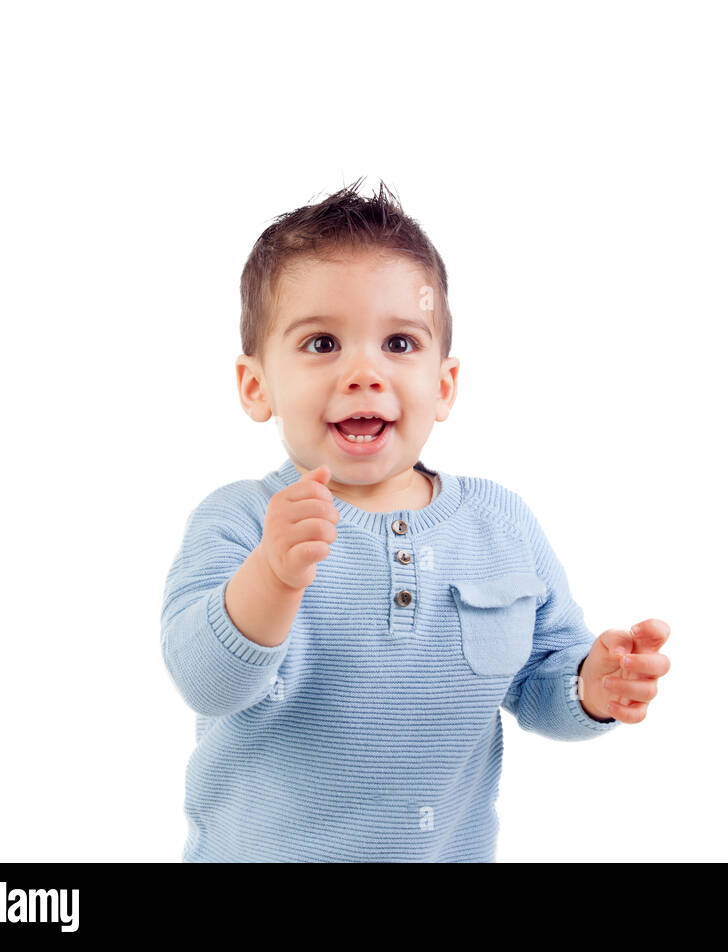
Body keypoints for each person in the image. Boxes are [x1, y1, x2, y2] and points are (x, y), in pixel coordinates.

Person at [160, 178, 671, 861]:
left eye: (399, 345)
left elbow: (537, 682)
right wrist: (273, 578)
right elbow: (205, 682)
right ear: (257, 386)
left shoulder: (501, 525)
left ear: (444, 385)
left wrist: (591, 685)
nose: (364, 372)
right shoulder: (241, 522)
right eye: (321, 344)